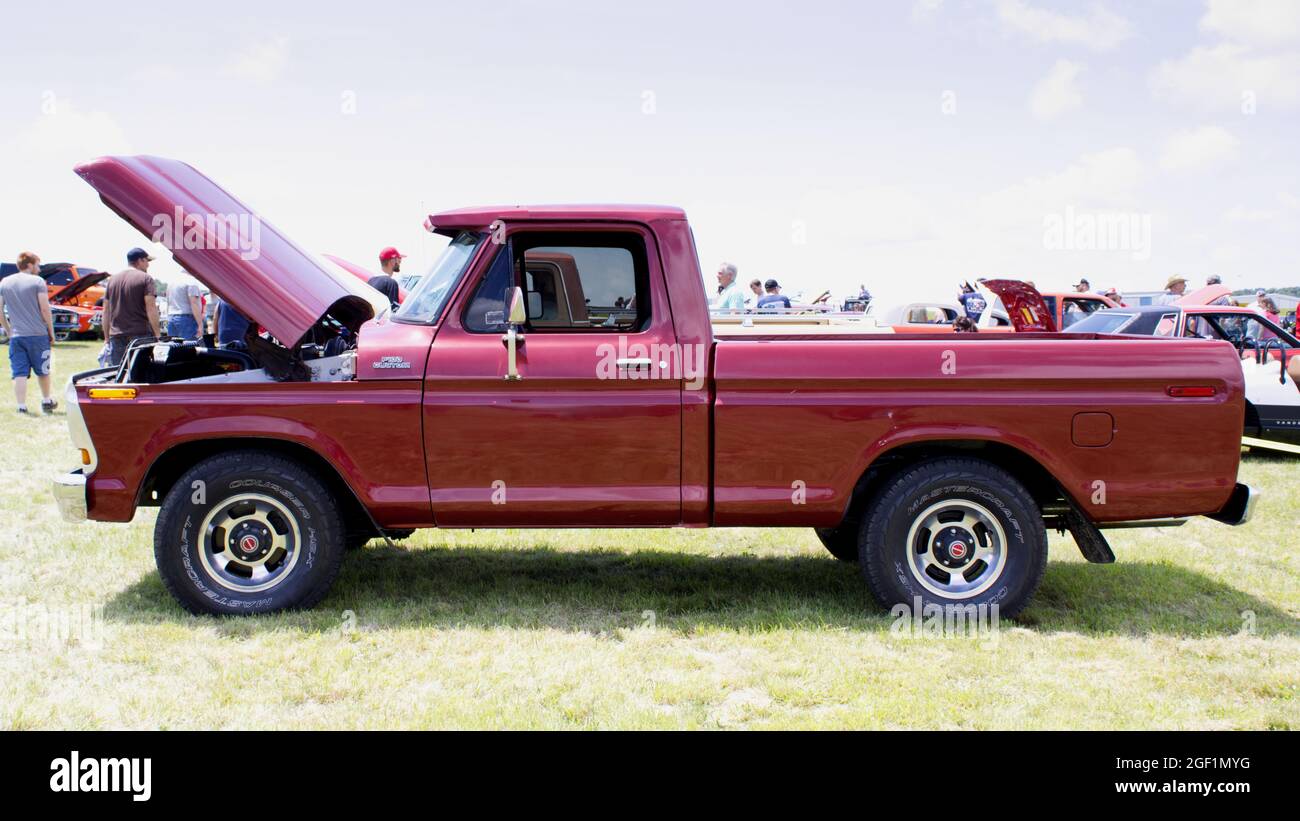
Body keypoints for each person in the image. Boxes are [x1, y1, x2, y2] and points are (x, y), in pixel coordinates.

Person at [0, 251, 57, 413]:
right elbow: (45, 309)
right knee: (43, 371)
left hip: (17, 336)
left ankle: (21, 406)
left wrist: (8, 330)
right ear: (30, 265)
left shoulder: (5, 282)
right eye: (38, 265)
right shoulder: (38, 282)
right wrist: (51, 331)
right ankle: (46, 401)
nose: (39, 269)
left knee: (19, 373)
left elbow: (0, 310)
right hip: (38, 335)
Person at [102, 247, 162, 366]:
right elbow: (151, 308)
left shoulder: (112, 280)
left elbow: (105, 311)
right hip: (140, 334)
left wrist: (106, 338)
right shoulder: (146, 278)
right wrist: (158, 335)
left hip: (116, 335)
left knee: (118, 373)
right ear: (140, 260)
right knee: (141, 373)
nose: (148, 265)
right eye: (147, 261)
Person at [165, 272, 204, 340]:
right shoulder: (191, 281)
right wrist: (200, 324)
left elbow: (168, 302)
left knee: (174, 347)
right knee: (189, 347)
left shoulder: (172, 282)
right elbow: (194, 303)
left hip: (171, 317)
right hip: (186, 319)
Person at [367, 247, 404, 311]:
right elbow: (393, 310)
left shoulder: (370, 281)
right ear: (392, 262)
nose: (400, 262)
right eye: (399, 259)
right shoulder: (391, 283)